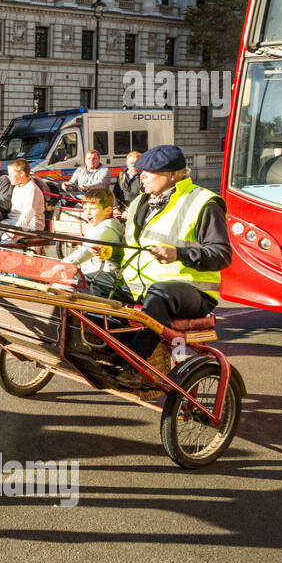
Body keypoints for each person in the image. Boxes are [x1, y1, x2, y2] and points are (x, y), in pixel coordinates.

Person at [104, 145, 233, 389]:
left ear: (173, 175)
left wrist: (179, 253)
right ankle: (104, 350)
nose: (141, 176)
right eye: (141, 171)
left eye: (149, 172)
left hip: (190, 291)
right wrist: (111, 252)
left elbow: (222, 255)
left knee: (160, 293)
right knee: (95, 283)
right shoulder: (141, 201)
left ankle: (136, 366)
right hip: (139, 285)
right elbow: (132, 247)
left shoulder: (203, 202)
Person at [61, 188, 123, 297]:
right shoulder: (98, 226)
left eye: (93, 208)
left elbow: (85, 252)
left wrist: (59, 266)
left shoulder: (106, 229)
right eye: (85, 208)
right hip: (92, 273)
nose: (87, 213)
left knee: (60, 286)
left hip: (103, 276)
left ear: (108, 210)